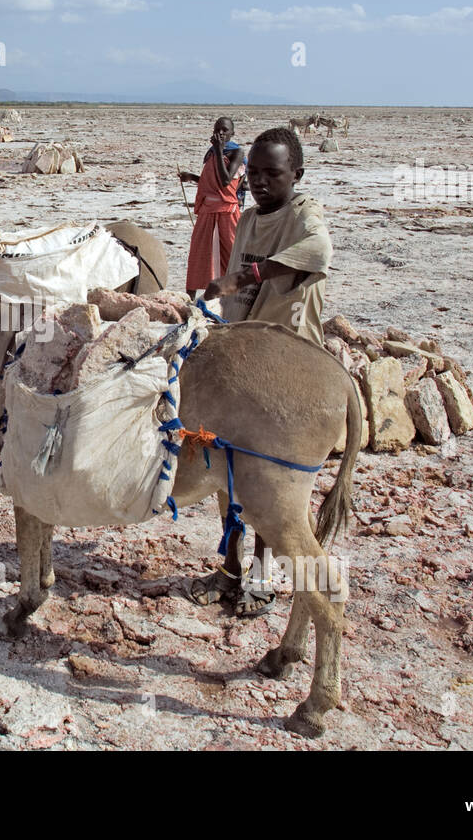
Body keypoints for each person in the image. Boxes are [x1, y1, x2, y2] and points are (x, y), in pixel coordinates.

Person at [189, 126, 334, 616]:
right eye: (253, 173)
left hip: (288, 371)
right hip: (245, 366)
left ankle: (261, 576)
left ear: (297, 173)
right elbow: (234, 288)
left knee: (267, 487)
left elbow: (318, 253)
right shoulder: (248, 219)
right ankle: (228, 567)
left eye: (273, 173)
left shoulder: (303, 215)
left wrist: (250, 274)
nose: (261, 181)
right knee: (226, 473)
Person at [182, 116, 245, 298]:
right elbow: (211, 183)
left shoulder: (236, 153)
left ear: (232, 133)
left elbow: (225, 181)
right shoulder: (210, 154)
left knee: (233, 254)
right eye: (218, 129)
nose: (221, 133)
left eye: (225, 130)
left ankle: (237, 295)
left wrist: (219, 151)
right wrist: (191, 177)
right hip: (208, 211)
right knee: (199, 253)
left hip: (227, 212)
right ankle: (189, 300)